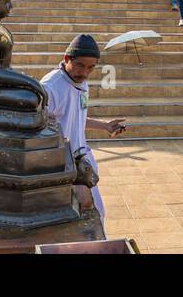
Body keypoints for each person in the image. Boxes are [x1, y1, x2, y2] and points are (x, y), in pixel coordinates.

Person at [41, 34, 126, 221]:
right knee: (78, 219)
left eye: (91, 68)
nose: (85, 73)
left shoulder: (81, 81)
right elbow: (38, 133)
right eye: (80, 65)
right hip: (62, 167)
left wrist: (105, 126)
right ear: (66, 59)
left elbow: (77, 117)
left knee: (96, 214)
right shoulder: (50, 88)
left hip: (83, 162)